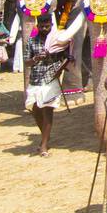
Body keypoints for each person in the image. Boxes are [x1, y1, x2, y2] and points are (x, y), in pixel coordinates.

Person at [24, 12, 70, 156]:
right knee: (35, 109)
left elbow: (68, 57)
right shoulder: (32, 41)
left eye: (47, 26)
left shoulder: (58, 40)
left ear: (51, 25)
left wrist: (60, 69)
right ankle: (45, 135)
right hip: (35, 78)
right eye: (42, 26)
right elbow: (26, 61)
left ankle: (43, 145)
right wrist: (36, 58)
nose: (45, 29)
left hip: (51, 79)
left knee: (47, 110)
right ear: (38, 26)